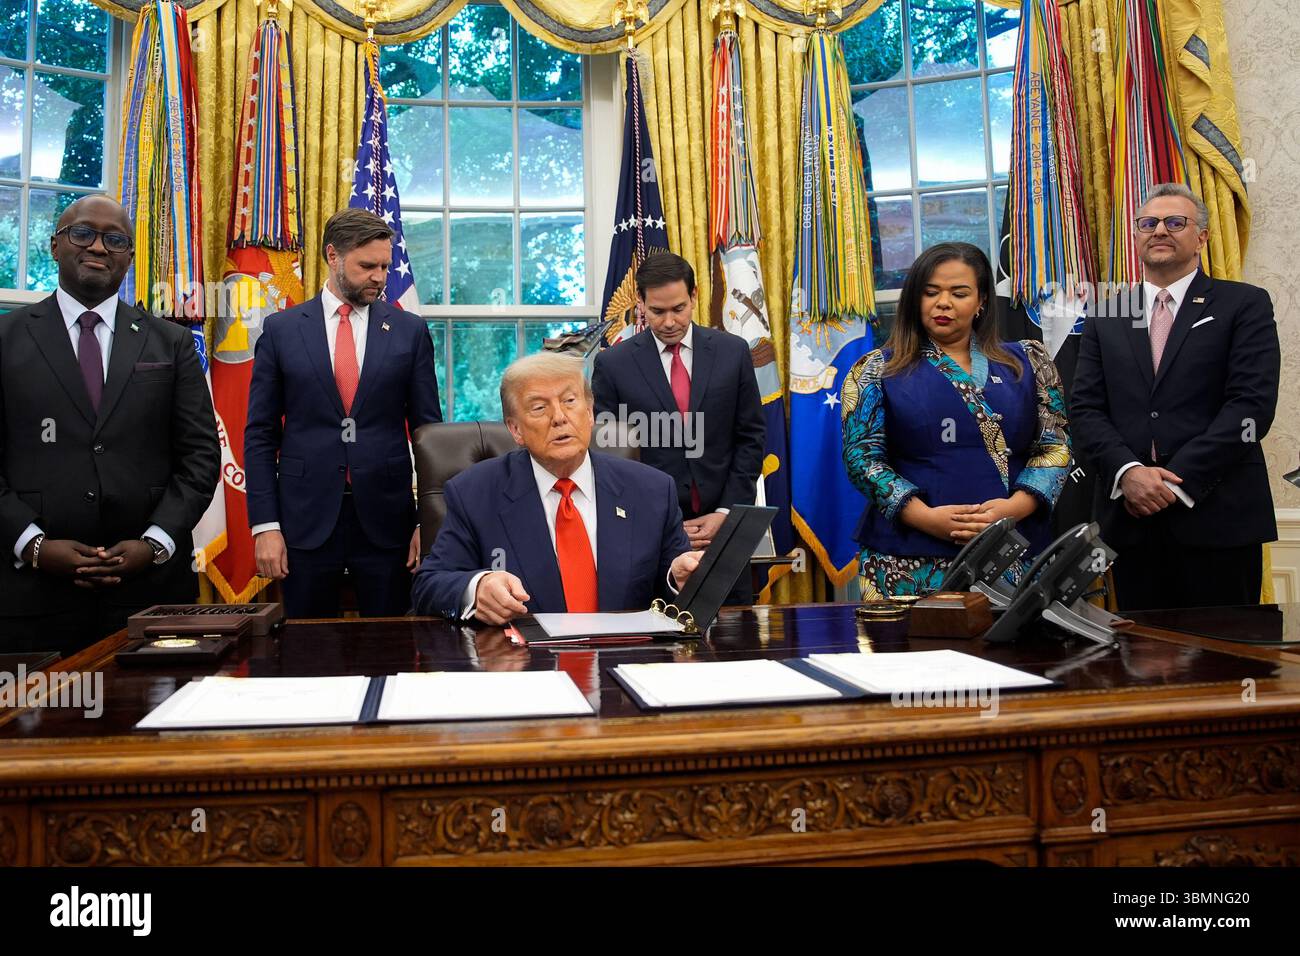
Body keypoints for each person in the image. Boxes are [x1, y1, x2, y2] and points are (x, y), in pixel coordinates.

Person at [0, 195, 220, 654]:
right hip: (31, 597)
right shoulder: (7, 338)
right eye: (83, 233)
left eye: (114, 239)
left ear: (130, 257)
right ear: (55, 245)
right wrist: (34, 545)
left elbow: (200, 458)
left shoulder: (172, 343)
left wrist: (155, 543)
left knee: (148, 722)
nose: (98, 247)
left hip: (150, 597)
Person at [1071, 183, 1280, 611]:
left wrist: (1172, 481)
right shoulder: (1106, 314)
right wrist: (1129, 472)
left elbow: (1250, 408)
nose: (1159, 230)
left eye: (1175, 222)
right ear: (1136, 235)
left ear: (1201, 236)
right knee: (1142, 663)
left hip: (1218, 517)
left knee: (1227, 661)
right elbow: (1086, 409)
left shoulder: (1244, 304)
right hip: (1129, 521)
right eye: (1148, 223)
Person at [840, 241, 1072, 599]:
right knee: (910, 654)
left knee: (1020, 654)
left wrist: (1014, 508)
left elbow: (1054, 447)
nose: (943, 303)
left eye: (959, 293)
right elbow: (862, 460)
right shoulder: (874, 369)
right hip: (906, 558)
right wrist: (926, 518)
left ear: (981, 301)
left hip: (1015, 549)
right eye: (930, 292)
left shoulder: (1029, 361)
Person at [245, 208, 442, 618]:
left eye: (385, 266)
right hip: (303, 522)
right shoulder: (282, 330)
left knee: (390, 651)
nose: (379, 277)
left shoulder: (409, 331)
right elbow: (261, 435)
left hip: (388, 523)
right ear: (333, 256)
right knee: (308, 655)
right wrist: (266, 526)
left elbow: (430, 435)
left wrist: (429, 522)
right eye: (367, 265)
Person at [411, 353, 702, 624]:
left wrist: (677, 580)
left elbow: (672, 583)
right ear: (515, 429)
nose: (559, 417)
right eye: (539, 407)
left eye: (570, 401)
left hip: (623, 660)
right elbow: (429, 585)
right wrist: (477, 588)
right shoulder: (475, 492)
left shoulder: (651, 490)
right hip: (527, 667)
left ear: (589, 413)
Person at [591, 252, 764, 604]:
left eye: (679, 309)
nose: (670, 321)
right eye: (657, 311)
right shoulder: (613, 364)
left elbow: (751, 438)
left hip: (723, 530)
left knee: (733, 642)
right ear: (639, 303)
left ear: (694, 296)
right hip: (647, 537)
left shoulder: (733, 352)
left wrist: (725, 511)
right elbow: (607, 455)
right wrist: (660, 521)